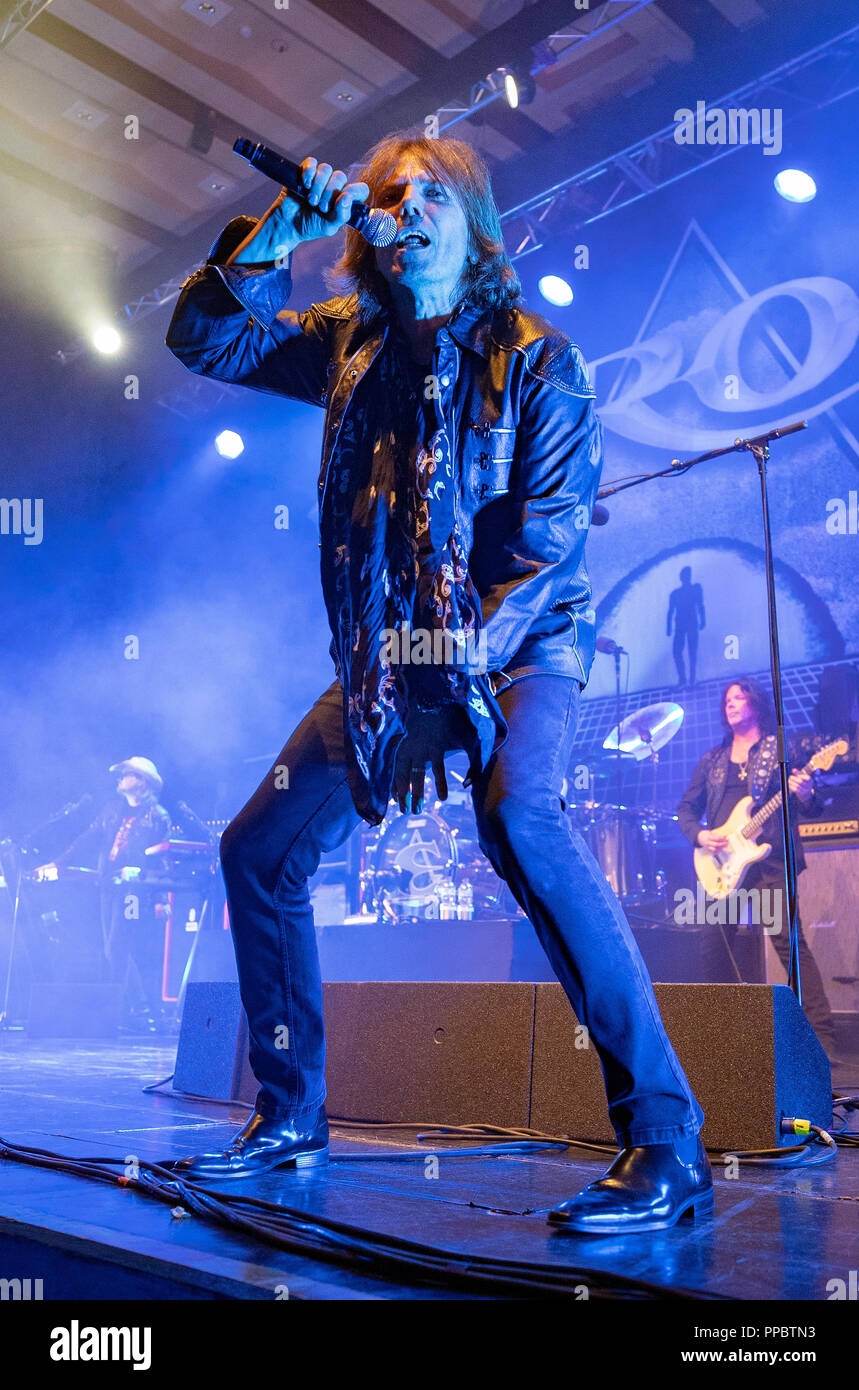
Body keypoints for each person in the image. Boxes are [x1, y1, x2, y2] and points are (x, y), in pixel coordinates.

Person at [164, 132, 712, 1233]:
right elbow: (203, 341)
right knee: (258, 850)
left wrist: (439, 682)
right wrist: (277, 232)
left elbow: (541, 550)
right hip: (390, 660)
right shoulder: (347, 344)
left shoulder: (536, 358)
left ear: (470, 220)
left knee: (521, 819)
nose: (401, 214)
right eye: (384, 201)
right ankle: (289, 1114)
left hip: (521, 646)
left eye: (425, 200)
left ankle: (666, 1141)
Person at [676, 680, 836, 1054]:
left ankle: (822, 1040)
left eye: (739, 697)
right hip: (721, 865)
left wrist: (807, 793)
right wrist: (700, 837)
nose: (730, 704)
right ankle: (722, 1036)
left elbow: (809, 804)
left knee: (789, 946)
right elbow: (686, 810)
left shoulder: (782, 749)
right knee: (713, 947)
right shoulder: (712, 759)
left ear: (756, 704)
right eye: (726, 700)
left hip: (769, 860)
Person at [36, 757, 171, 1030]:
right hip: (108, 887)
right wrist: (58, 862)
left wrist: (160, 898)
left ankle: (123, 1010)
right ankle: (139, 1007)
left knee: (119, 945)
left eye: (126, 774)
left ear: (141, 781)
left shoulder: (157, 816)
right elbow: (86, 839)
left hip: (134, 890)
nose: (120, 778)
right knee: (114, 948)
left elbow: (162, 860)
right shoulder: (112, 810)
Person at [666, 565, 705, 688]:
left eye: (688, 575)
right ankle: (683, 680)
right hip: (681, 625)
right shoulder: (675, 594)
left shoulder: (696, 589)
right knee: (677, 652)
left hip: (690, 624)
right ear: (681, 578)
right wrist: (668, 627)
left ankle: (692, 680)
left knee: (692, 653)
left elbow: (700, 605)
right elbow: (670, 611)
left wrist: (703, 620)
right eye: (685, 575)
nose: (687, 577)